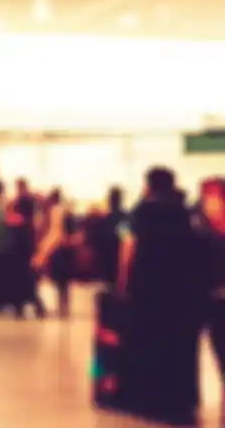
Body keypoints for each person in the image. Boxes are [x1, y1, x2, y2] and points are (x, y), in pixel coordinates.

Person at [117, 167, 205, 423]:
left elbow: (129, 248)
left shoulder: (144, 211)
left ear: (149, 185)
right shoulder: (185, 211)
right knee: (180, 347)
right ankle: (183, 400)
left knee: (149, 343)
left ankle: (151, 399)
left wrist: (123, 284)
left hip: (148, 289)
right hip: (182, 293)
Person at [194, 177, 225, 406]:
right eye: (206, 197)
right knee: (219, 346)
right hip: (212, 300)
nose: (209, 202)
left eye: (213, 196)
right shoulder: (201, 230)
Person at [32, 188, 77, 317]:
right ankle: (64, 308)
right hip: (64, 250)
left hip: (58, 250)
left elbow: (52, 232)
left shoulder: (53, 212)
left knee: (60, 281)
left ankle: (61, 307)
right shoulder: (64, 212)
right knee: (64, 282)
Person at [6, 178, 47, 319]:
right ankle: (31, 308)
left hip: (20, 251)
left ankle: (22, 309)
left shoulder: (19, 210)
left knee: (22, 281)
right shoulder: (29, 209)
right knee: (27, 281)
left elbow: (11, 222)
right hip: (26, 249)